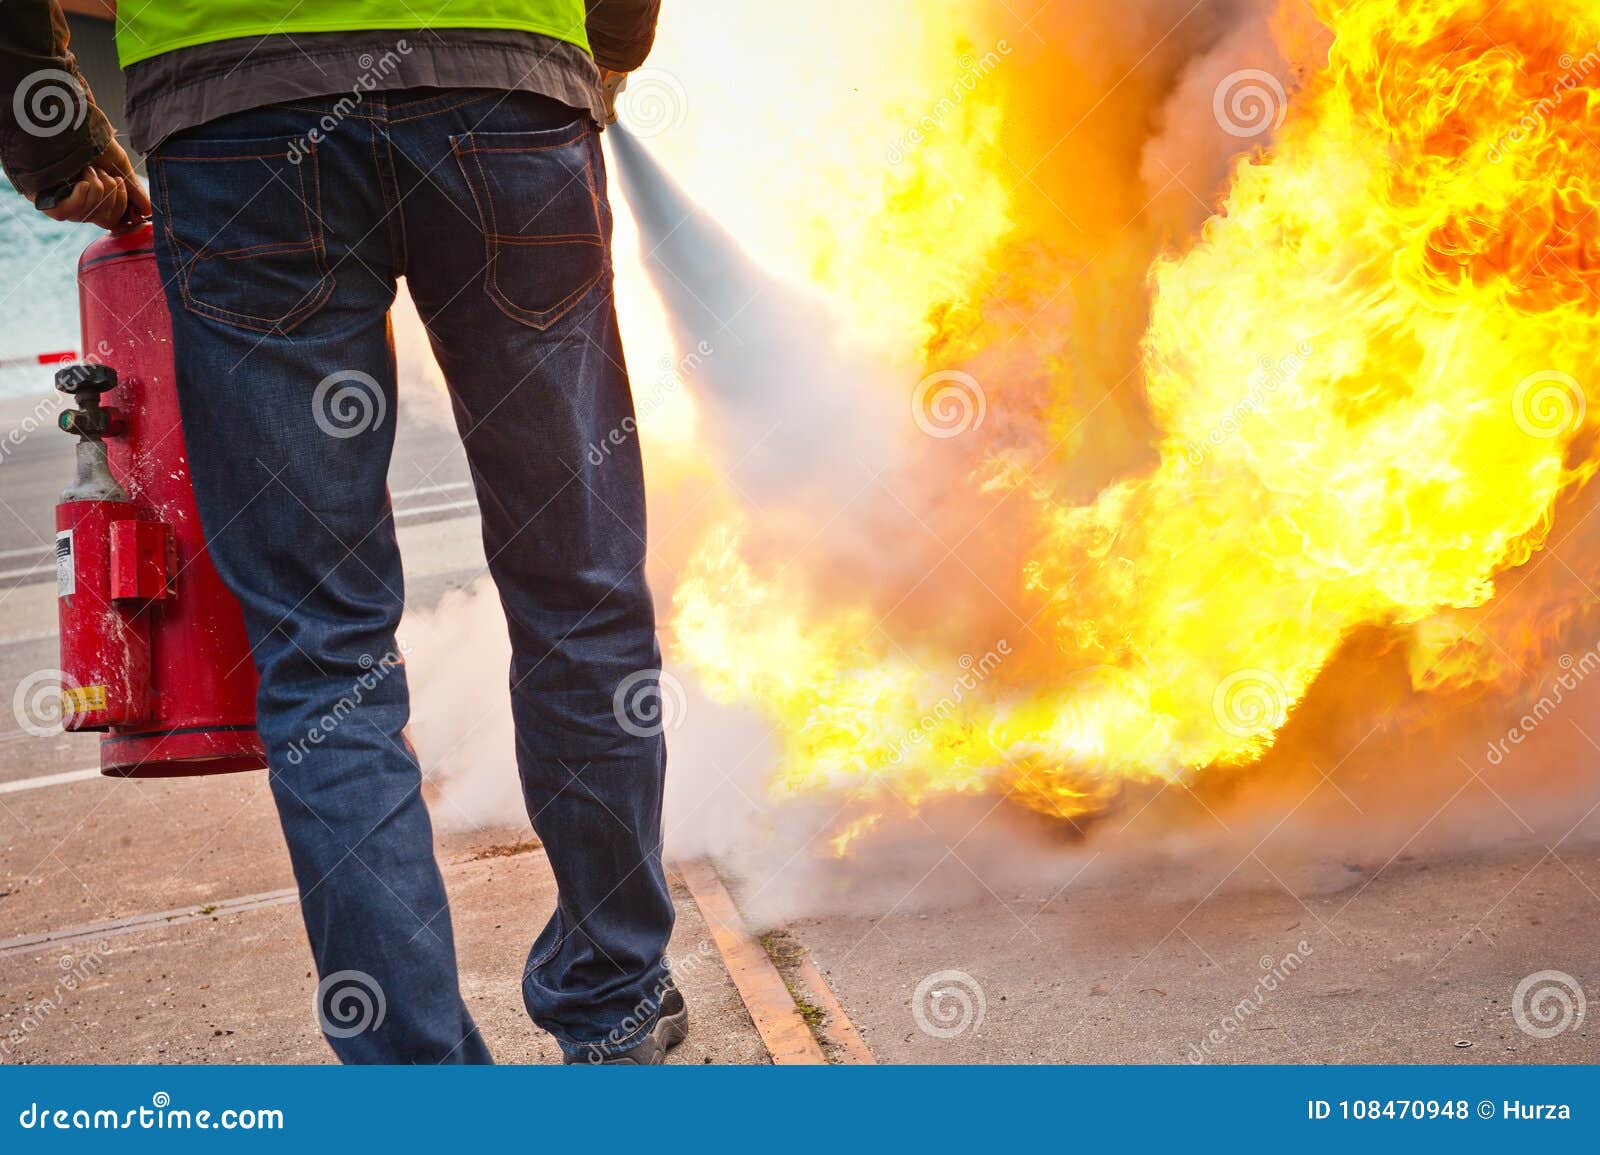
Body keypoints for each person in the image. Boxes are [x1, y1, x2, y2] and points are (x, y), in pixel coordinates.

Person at [0, 0, 682, 1065]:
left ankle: (420, 1086)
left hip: (237, 116)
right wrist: (602, 50)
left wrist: (48, 137)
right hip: (503, 91)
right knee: (579, 584)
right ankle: (614, 1000)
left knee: (325, 652)